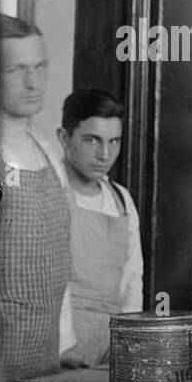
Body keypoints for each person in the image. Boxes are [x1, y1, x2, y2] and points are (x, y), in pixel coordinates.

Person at [0, 15, 75, 381]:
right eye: (16, 70)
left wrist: (65, 344)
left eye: (40, 67)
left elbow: (60, 260)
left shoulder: (45, 149)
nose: (33, 83)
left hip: (45, 358)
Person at [56, 89, 143, 367]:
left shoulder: (121, 199)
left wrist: (129, 343)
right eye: (92, 140)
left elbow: (132, 279)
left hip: (110, 344)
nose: (104, 154)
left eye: (114, 141)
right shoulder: (50, 192)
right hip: (59, 344)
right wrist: (64, 346)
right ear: (64, 138)